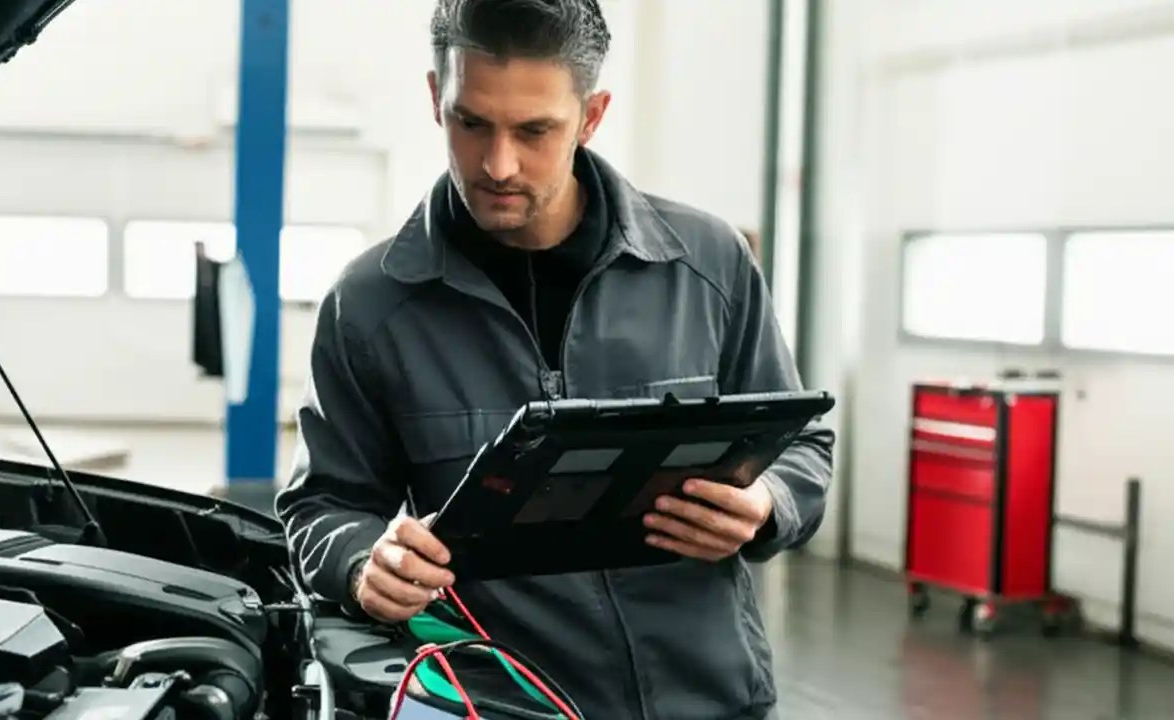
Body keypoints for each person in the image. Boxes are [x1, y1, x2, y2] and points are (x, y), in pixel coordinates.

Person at [276, 1, 835, 717]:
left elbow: (804, 445)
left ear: (592, 115)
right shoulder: (371, 304)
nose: (498, 164)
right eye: (470, 122)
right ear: (434, 97)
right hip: (502, 703)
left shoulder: (708, 263)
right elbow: (323, 505)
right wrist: (362, 563)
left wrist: (766, 503)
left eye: (535, 130)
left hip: (709, 698)